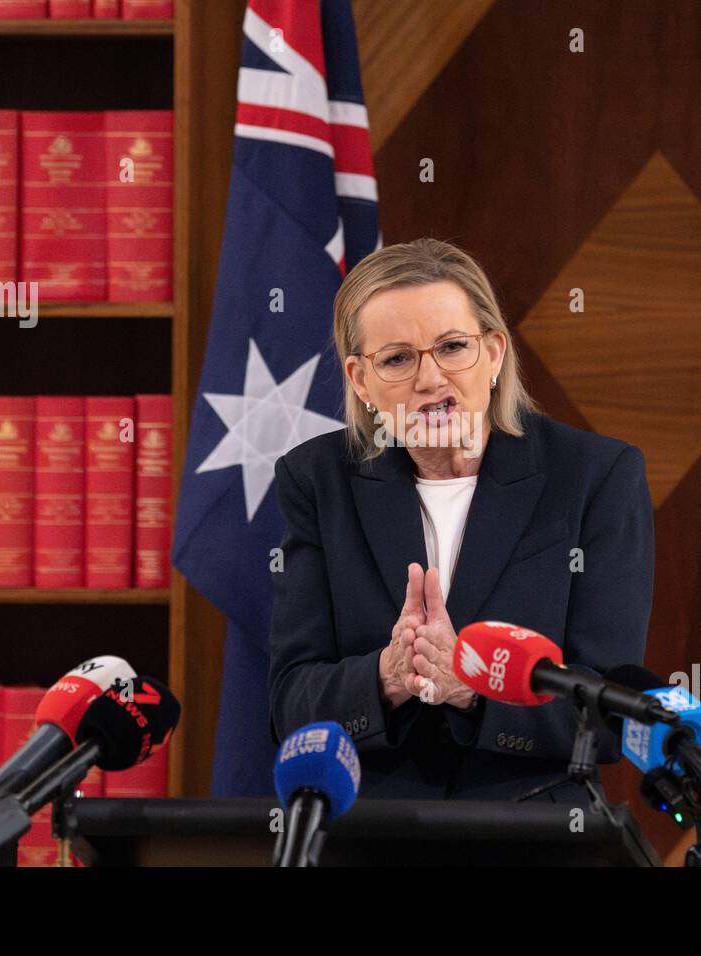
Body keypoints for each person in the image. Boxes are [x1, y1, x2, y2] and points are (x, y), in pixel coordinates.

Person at [267, 237, 654, 801]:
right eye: (397, 358)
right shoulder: (317, 480)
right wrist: (386, 676)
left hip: (532, 835)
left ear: (494, 353)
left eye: (452, 347)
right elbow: (289, 706)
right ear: (359, 380)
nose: (430, 380)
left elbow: (614, 712)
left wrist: (471, 689)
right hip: (373, 838)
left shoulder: (594, 477)